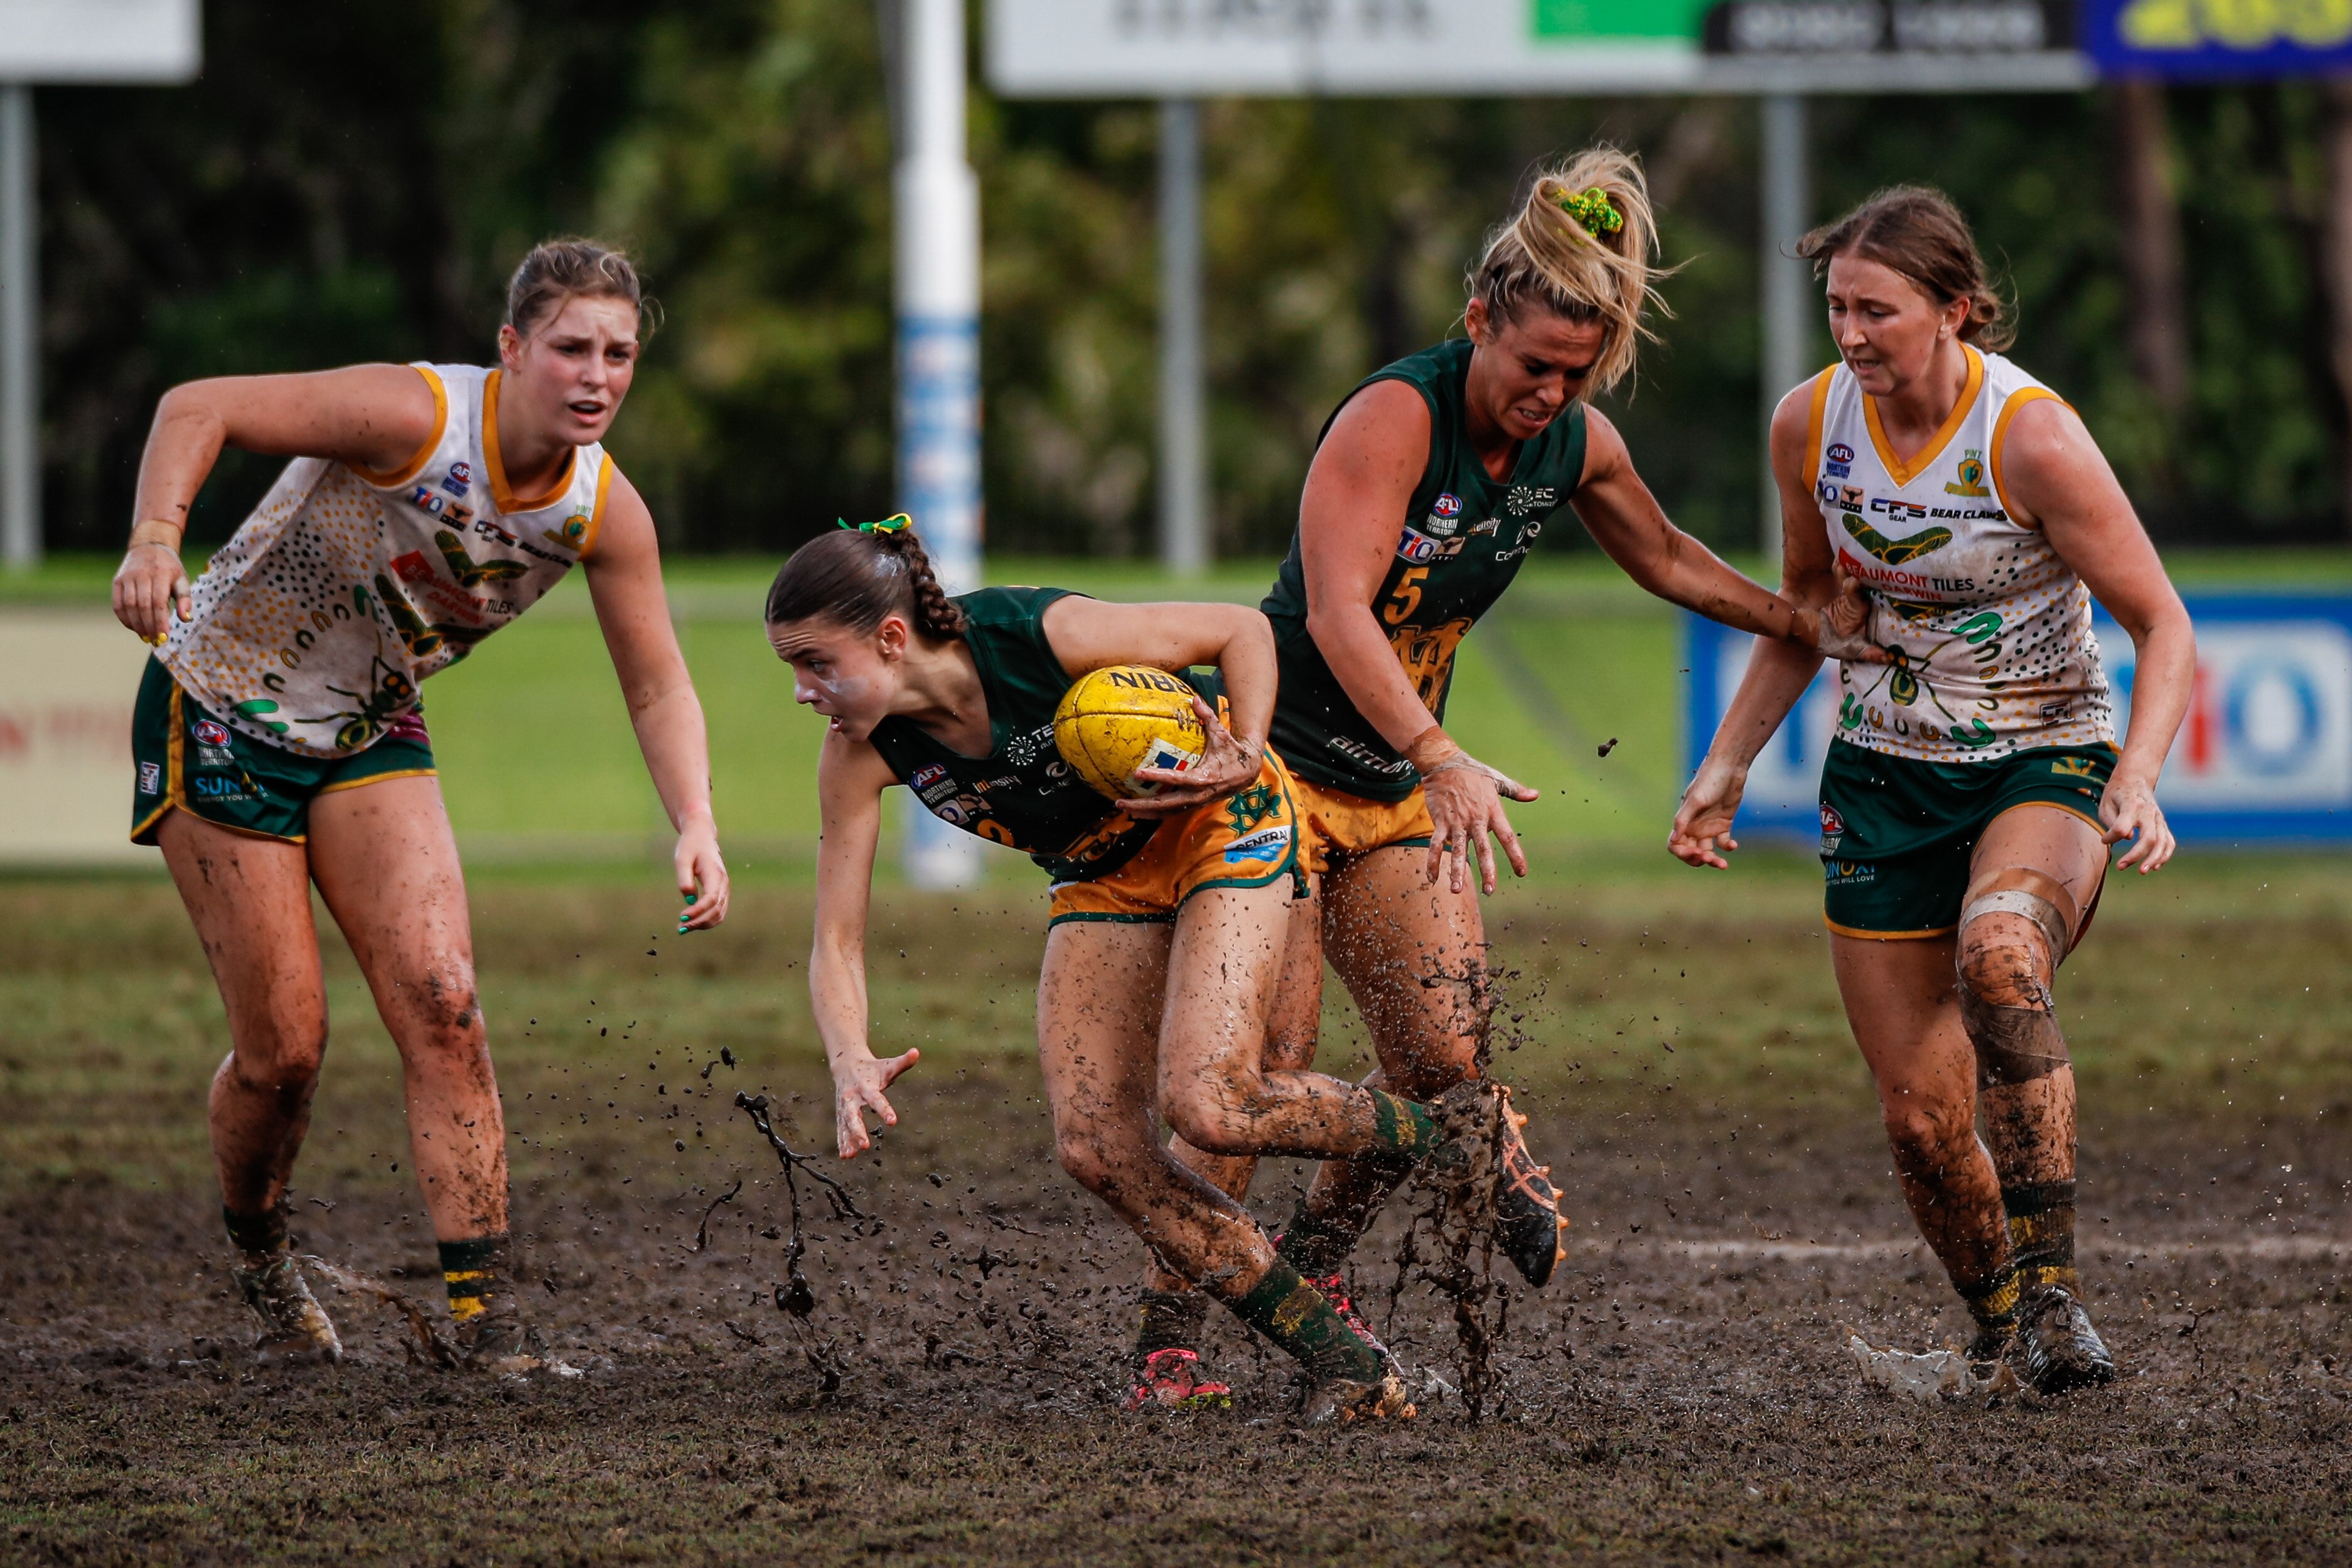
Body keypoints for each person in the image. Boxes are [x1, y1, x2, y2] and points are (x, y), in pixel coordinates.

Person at [1124, 148, 1879, 1410]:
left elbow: (1669, 558)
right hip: (1270, 770)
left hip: (1397, 786)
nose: (1549, 392)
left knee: (1439, 1058)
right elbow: (1337, 612)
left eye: (1575, 373)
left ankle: (1311, 1271)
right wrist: (1439, 752)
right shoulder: (1394, 417)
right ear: (1477, 321)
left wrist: (1801, 620)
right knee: (1265, 1061)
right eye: (1531, 365)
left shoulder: (1572, 442)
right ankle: (1169, 1335)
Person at [110, 240, 729, 1370]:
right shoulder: (414, 418)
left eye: (621, 354)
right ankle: (259, 1249)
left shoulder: (602, 510)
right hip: (220, 706)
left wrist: (694, 817)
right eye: (571, 348)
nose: (597, 375)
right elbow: (195, 404)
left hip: (366, 724)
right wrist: (156, 543)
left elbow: (658, 682)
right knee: (286, 1053)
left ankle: (491, 1333)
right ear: (513, 348)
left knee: (447, 1006)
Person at [769, 517, 1538, 1423]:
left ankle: (1459, 1132)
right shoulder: (859, 753)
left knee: (1215, 1102)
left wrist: (1247, 746)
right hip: (1103, 870)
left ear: (892, 638)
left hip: (1225, 820)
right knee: (1096, 1147)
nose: (801, 691)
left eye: (816, 662)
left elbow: (1239, 631)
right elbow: (838, 940)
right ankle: (1349, 1365)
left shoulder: (1036, 634)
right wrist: (847, 1054)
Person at [1670, 186, 2193, 1393]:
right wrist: (1729, 762)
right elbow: (1807, 610)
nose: (1852, 334)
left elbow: (2163, 622)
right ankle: (2005, 1334)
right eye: (1837, 307)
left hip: (2042, 750)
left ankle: (2057, 1295)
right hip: (1886, 771)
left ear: (1956, 309)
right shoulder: (1809, 425)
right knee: (1916, 1116)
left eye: (1880, 310)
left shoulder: (2032, 437)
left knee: (2000, 953)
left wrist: (2141, 777)